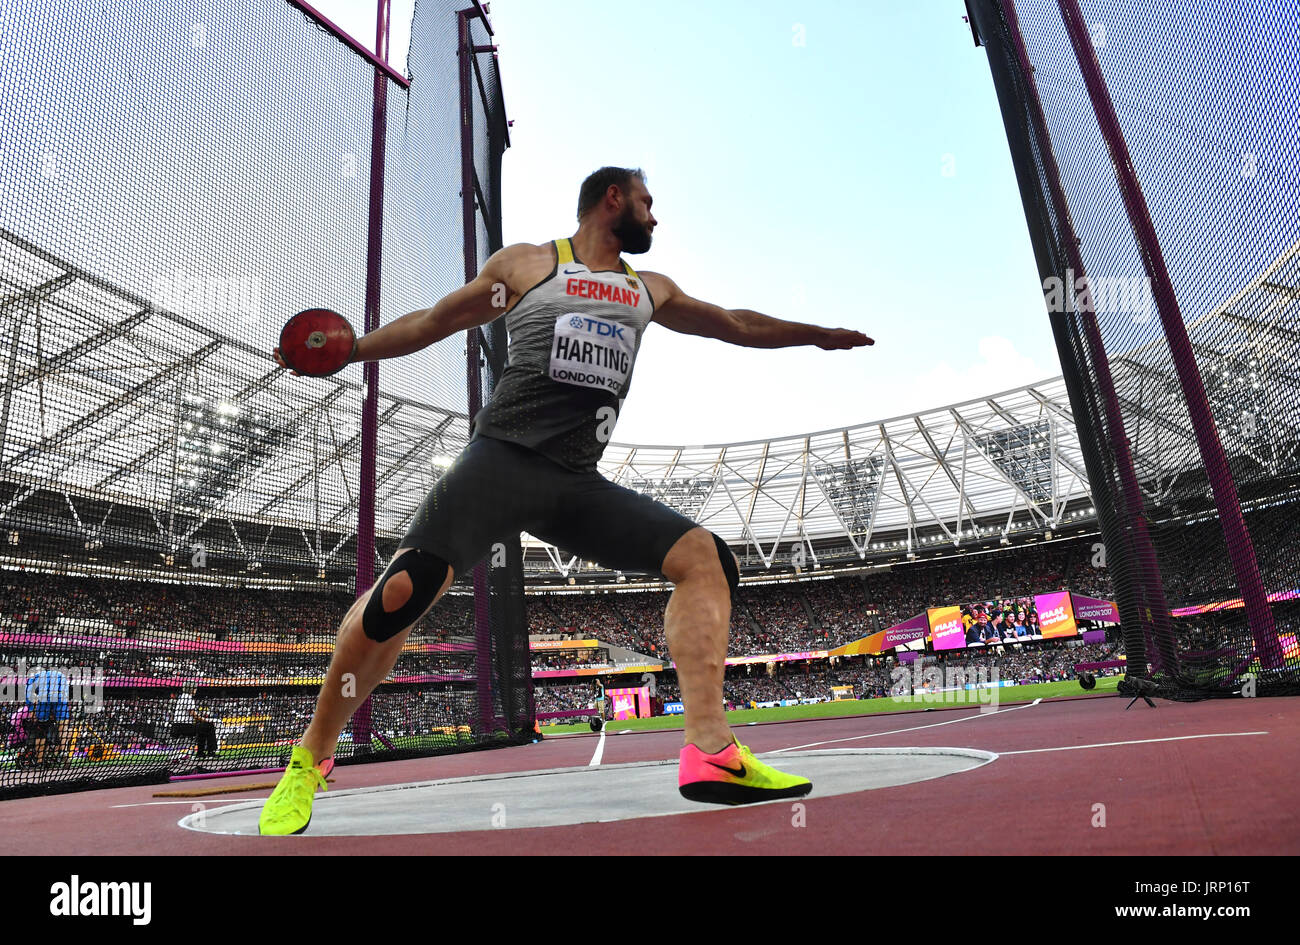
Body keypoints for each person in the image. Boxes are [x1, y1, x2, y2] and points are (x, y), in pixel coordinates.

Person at [259, 166, 871, 834]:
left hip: (575, 486)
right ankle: (309, 760)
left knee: (705, 559)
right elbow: (436, 320)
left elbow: (731, 322)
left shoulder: (650, 290)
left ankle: (711, 751)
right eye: (647, 201)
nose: (655, 216)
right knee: (397, 598)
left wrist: (811, 332)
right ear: (613, 198)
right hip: (498, 466)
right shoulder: (528, 263)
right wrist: (350, 350)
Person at [25, 667, 69, 766]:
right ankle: (64, 751)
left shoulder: (35, 677)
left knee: (41, 728)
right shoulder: (61, 675)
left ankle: (40, 760)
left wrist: (31, 709)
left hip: (45, 697)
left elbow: (28, 692)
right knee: (63, 725)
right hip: (60, 695)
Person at [170, 683, 219, 760]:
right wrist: (206, 720)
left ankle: (200, 753)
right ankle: (211, 752)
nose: (196, 690)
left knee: (202, 728)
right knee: (209, 726)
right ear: (191, 689)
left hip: (177, 726)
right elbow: (194, 715)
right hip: (183, 727)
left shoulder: (182, 697)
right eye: (195, 688)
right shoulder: (188, 698)